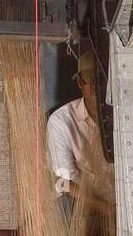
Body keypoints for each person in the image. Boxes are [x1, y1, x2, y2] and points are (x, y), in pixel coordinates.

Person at [46, 49, 115, 217]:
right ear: (79, 82)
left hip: (121, 201)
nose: (95, 88)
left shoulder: (124, 116)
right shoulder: (61, 121)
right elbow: (64, 183)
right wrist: (106, 210)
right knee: (64, 207)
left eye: (101, 80)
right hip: (87, 206)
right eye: (90, 80)